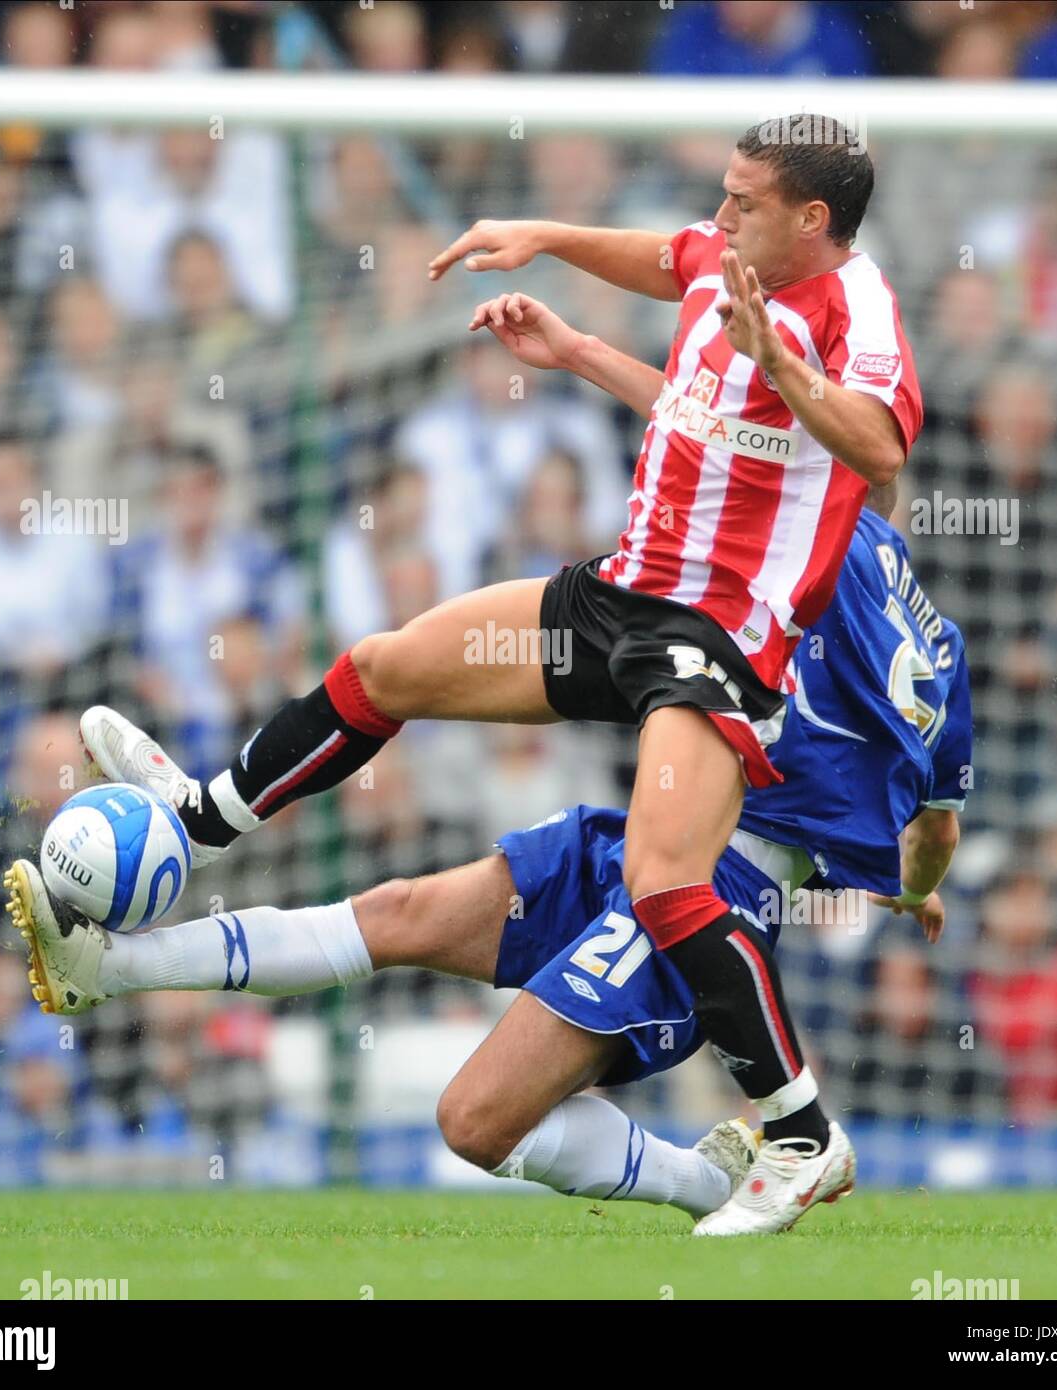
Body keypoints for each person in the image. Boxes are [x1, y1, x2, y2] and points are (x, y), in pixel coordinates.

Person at [75, 115, 921, 1186]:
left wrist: (779, 366)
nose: (718, 214)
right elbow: (665, 261)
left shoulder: (854, 310)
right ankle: (196, 823)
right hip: (621, 596)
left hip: (712, 640)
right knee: (386, 667)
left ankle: (800, 1135)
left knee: (663, 884)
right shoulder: (722, 256)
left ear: (810, 218)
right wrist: (542, 241)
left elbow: (881, 447)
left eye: (743, 199)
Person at [7, 494, 968, 1236]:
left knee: (474, 1122)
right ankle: (112, 969)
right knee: (400, 912)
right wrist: (907, 889)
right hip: (638, 832)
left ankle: (714, 1173)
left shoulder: (818, 542)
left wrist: (592, 349)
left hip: (706, 887)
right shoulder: (929, 639)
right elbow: (932, 836)